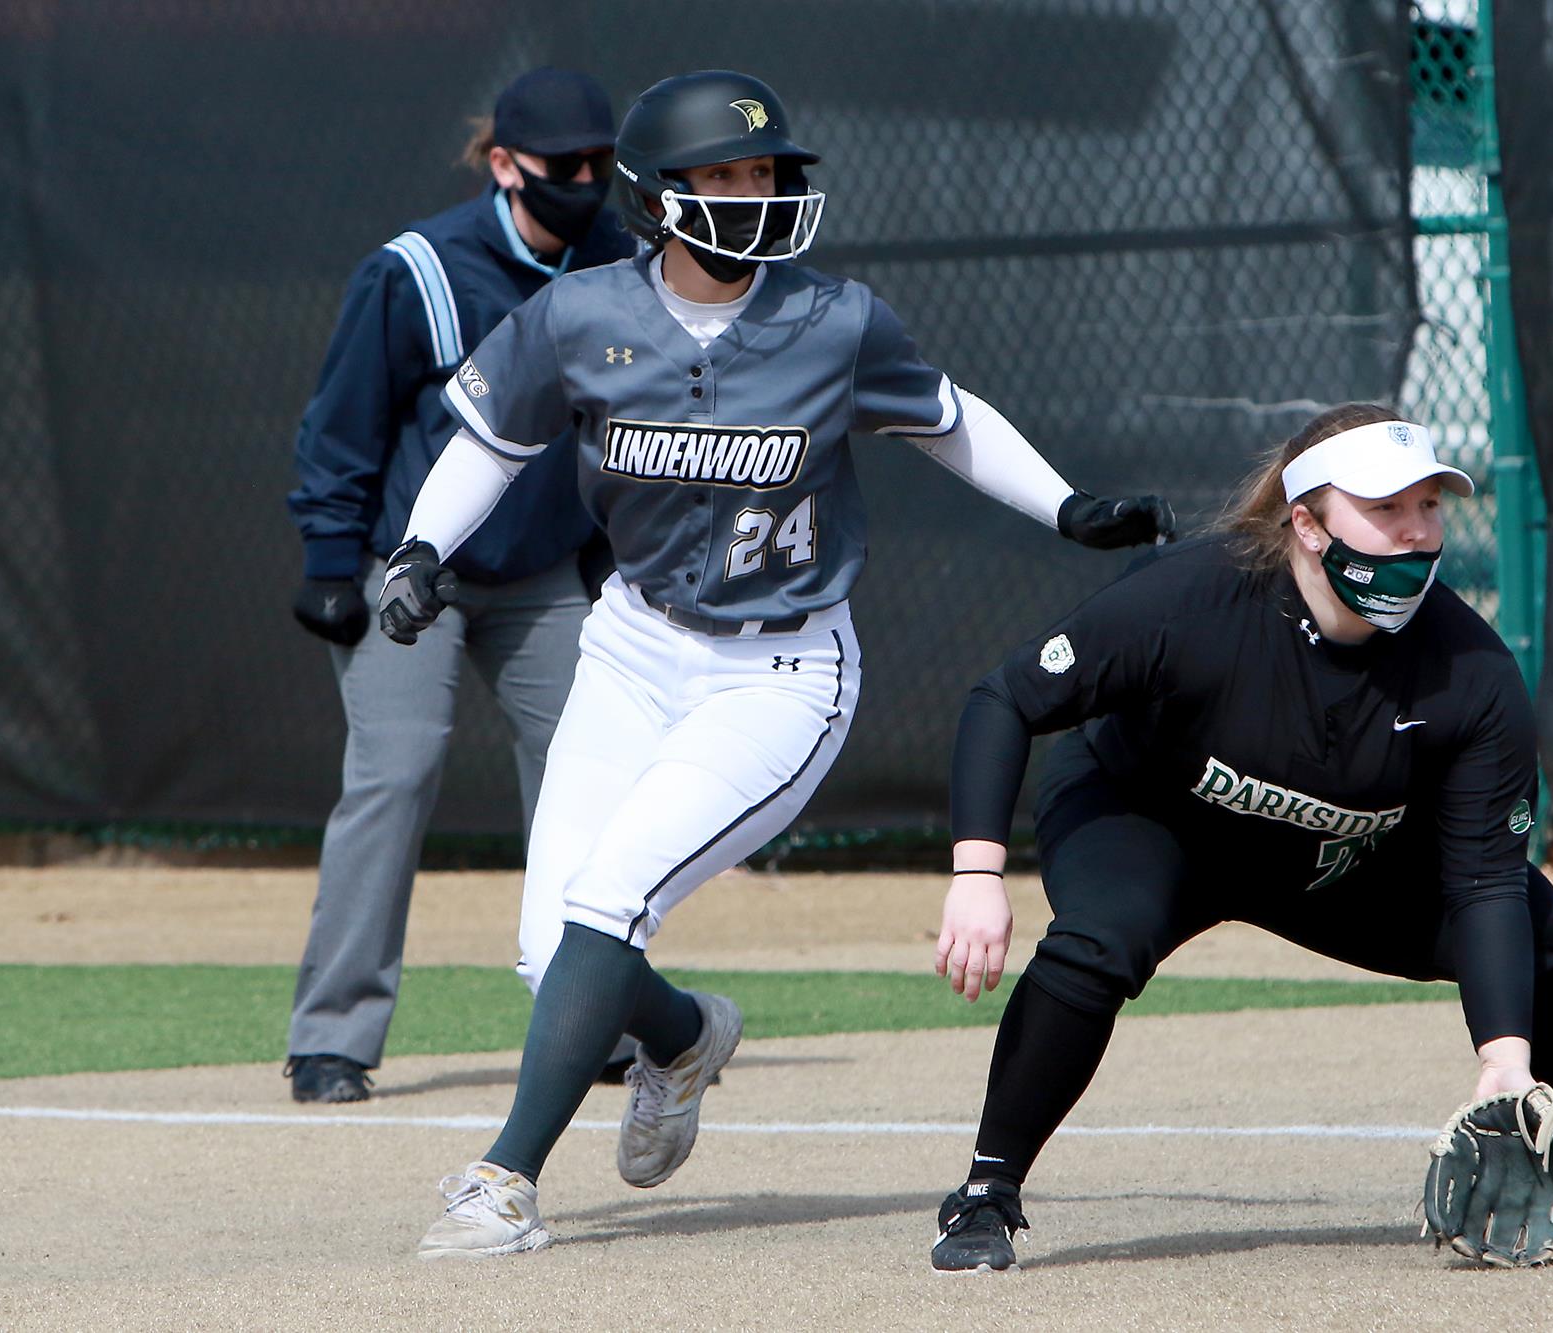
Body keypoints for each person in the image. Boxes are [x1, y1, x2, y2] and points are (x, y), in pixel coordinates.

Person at [381, 69, 1175, 1258]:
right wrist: (418, 549)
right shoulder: (578, 314)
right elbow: (489, 444)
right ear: (656, 198)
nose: (753, 195)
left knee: (608, 904)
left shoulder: (834, 320)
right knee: (553, 952)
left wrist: (1065, 508)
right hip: (633, 647)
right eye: (723, 176)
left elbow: (950, 421)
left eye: (763, 173)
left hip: (779, 672)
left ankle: (504, 1177)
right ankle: (687, 1035)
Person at [926, 404, 1553, 1272]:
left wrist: (1507, 1063)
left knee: (1547, 934)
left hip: (1335, 858)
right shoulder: (1195, 597)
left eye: (1429, 508)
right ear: (1305, 522)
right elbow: (1005, 698)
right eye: (1385, 509)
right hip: (1152, 815)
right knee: (1096, 941)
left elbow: (1483, 880)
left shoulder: (1471, 671)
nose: (1415, 534)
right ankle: (987, 1192)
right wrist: (977, 871)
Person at [282, 68, 636, 1104]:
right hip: (412, 572)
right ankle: (332, 1036)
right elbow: (341, 428)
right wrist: (327, 559)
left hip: (544, 576)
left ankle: (599, 1016)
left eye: (598, 163)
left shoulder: (620, 263)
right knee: (393, 775)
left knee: (594, 781)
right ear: (501, 164)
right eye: (561, 166)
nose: (583, 179)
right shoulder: (418, 270)